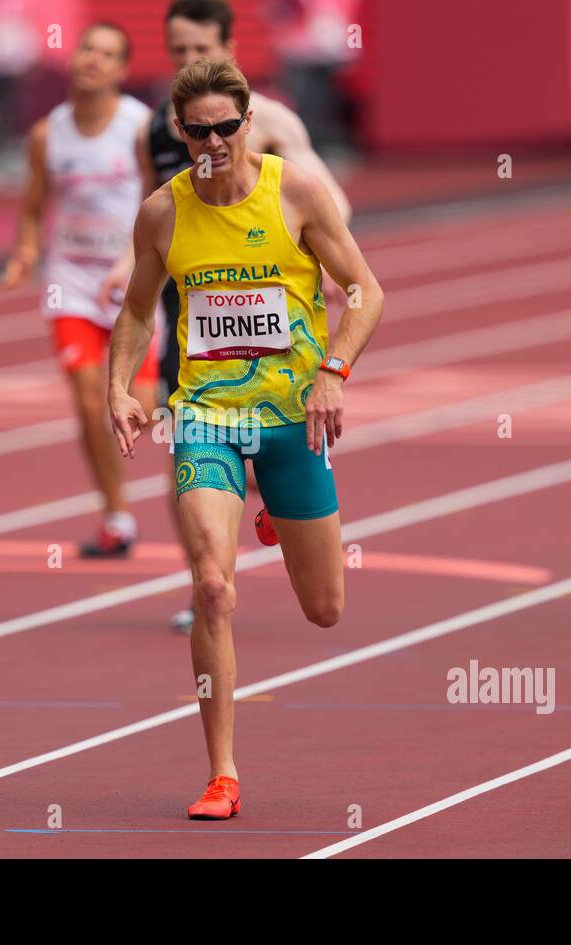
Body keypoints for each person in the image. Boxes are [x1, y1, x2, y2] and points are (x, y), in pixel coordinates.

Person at [106, 59, 383, 819]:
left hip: (293, 417)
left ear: (248, 121)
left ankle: (280, 519)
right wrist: (118, 388)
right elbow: (136, 310)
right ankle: (222, 771)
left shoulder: (293, 190)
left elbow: (365, 289)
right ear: (178, 130)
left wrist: (333, 371)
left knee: (324, 607)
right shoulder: (162, 212)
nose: (214, 142)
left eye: (227, 127)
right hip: (206, 416)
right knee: (212, 587)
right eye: (198, 131)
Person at [100, 0, 353, 633]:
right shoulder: (157, 131)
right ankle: (207, 580)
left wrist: (295, 253)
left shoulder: (272, 125)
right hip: (187, 322)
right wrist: (119, 263)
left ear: (229, 47)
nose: (190, 60)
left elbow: (333, 204)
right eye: (178, 50)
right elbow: (147, 215)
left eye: (202, 49)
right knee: (183, 453)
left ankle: (275, 502)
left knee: (324, 606)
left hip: (277, 344)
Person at [1, 22, 160, 557]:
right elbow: (31, 208)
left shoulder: (140, 127)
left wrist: (132, 258)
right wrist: (25, 252)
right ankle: (116, 515)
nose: (93, 59)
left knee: (140, 406)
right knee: (90, 400)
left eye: (107, 54)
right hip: (69, 282)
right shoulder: (49, 134)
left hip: (132, 282)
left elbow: (160, 203)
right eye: (87, 48)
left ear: (121, 70)